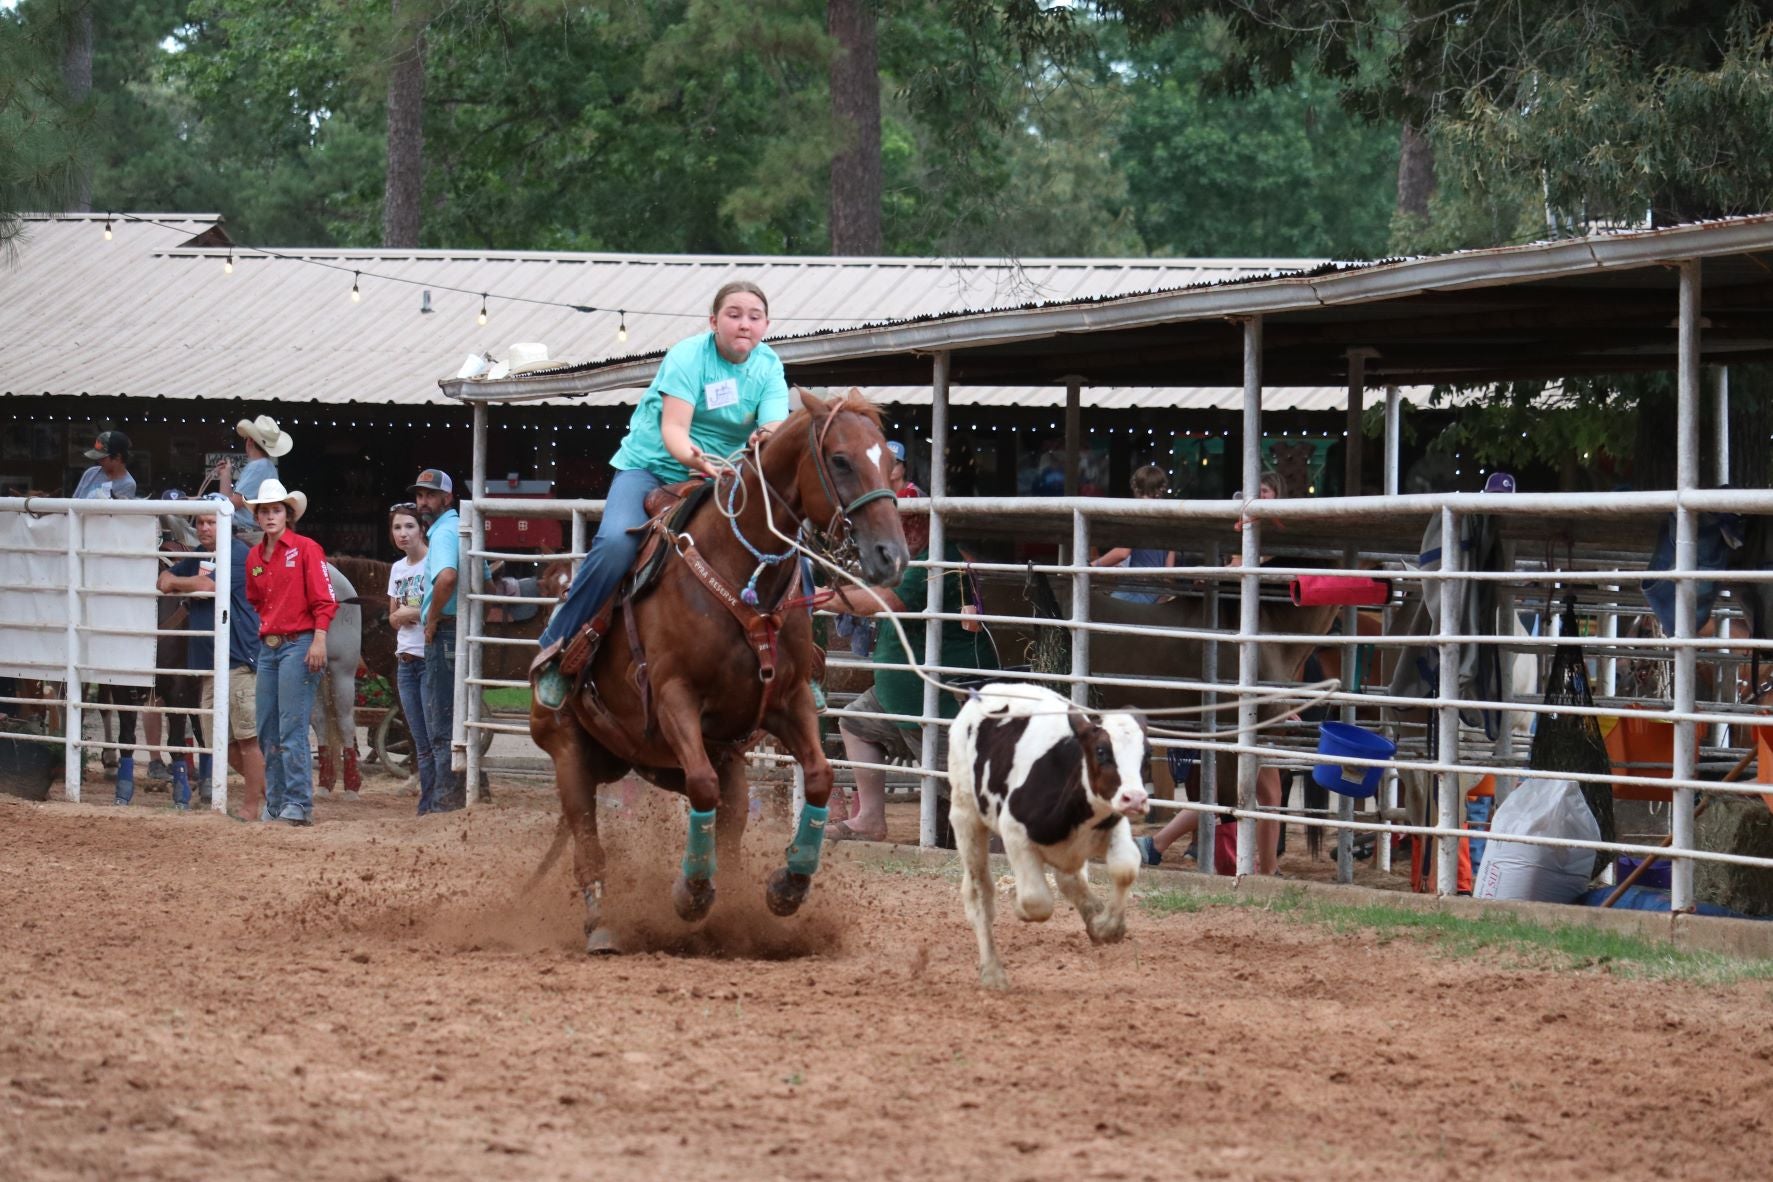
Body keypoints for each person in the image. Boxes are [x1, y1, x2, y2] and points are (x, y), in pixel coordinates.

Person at [530, 280, 790, 710]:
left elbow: (774, 425)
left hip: (726, 477)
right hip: (653, 468)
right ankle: (557, 646)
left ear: (766, 325)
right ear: (714, 321)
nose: (744, 324)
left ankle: (802, 665)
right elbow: (674, 429)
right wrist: (696, 460)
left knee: (787, 542)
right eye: (734, 315)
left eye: (754, 317)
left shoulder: (769, 366)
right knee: (616, 544)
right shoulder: (688, 356)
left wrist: (764, 438)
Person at [1142, 465, 1287, 872]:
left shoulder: (1272, 545)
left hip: (1254, 674)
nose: (1260, 496)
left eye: (1266, 490)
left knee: (1257, 787)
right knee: (1244, 785)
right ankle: (1160, 843)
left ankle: (1160, 844)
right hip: (1241, 676)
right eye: (1256, 490)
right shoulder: (1245, 541)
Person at [825, 541, 998, 843]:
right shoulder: (906, 559)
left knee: (964, 786)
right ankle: (869, 818)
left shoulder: (935, 558)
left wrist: (825, 597)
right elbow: (873, 590)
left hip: (941, 695)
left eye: (905, 522)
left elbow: (887, 600)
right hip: (902, 692)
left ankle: (1006, 846)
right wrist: (836, 592)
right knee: (854, 722)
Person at [159, 494, 266, 818]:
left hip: (238, 660)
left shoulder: (238, 553)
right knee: (220, 740)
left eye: (211, 522)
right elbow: (164, 580)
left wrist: (178, 582)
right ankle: (272, 794)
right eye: (201, 522)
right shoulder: (202, 554)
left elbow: (206, 586)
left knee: (246, 739)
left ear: (226, 523)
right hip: (211, 664)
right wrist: (181, 581)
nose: (204, 528)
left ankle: (253, 805)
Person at [243, 478, 335, 825]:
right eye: (264, 511)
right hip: (273, 647)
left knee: (290, 727)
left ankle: (296, 803)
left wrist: (319, 638)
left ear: (287, 515)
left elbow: (325, 599)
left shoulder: (307, 549)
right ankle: (280, 802)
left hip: (297, 644)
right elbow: (255, 598)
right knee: (269, 728)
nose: (270, 516)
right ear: (257, 516)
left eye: (276, 510)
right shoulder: (255, 556)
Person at [408, 468, 463, 810]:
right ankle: (467, 793)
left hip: (444, 632)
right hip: (460, 628)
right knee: (457, 716)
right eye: (420, 496)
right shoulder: (461, 527)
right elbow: (486, 580)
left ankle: (444, 803)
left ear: (447, 498)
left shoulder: (442, 533)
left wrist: (432, 619)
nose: (423, 502)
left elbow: (446, 578)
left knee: (441, 722)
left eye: (430, 495)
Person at [385, 502, 439, 813]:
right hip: (405, 659)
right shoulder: (397, 569)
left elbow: (439, 608)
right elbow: (392, 616)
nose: (403, 533)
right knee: (420, 738)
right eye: (397, 528)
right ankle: (428, 801)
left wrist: (409, 613)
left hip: (427, 657)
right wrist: (406, 614)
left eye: (409, 526)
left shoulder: (433, 562)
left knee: (433, 735)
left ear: (421, 529)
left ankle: (433, 802)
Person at [1091, 463, 1176, 603]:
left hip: (1134, 589)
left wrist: (1093, 566)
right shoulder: (1168, 520)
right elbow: (1169, 573)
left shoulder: (1136, 513)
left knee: (1099, 609)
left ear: (1135, 487)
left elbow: (1122, 552)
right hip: (1157, 593)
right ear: (1162, 488)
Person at [216, 415, 293, 512]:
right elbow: (228, 503)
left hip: (244, 522)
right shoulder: (266, 466)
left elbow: (233, 504)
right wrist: (225, 474)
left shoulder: (258, 466)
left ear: (250, 440)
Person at [72, 430, 137, 500]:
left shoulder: (127, 484)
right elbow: (73, 501)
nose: (98, 460)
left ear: (117, 457)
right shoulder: (90, 473)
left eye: (102, 458)